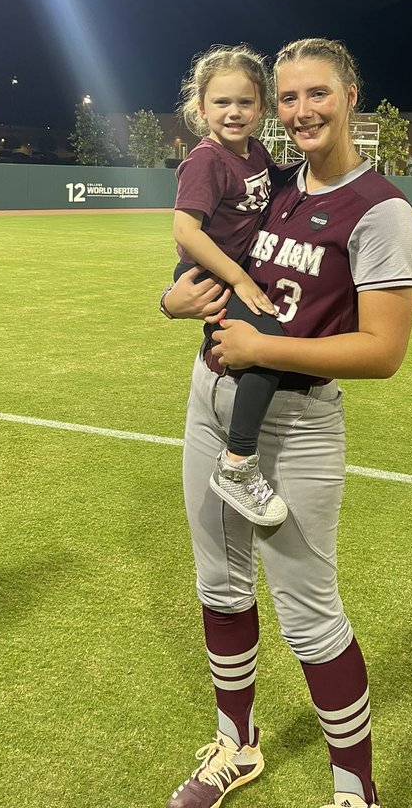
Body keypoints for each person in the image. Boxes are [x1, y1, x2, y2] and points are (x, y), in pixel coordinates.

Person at [161, 38, 412, 808]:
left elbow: (383, 351)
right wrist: (170, 300)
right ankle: (236, 746)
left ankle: (355, 790)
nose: (302, 110)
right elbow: (209, 258)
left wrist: (261, 346)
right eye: (290, 98)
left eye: (318, 94)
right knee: (220, 586)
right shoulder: (269, 184)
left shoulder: (382, 210)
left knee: (308, 614)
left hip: (297, 423)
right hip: (211, 402)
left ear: (349, 96)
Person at [167, 44, 289, 526]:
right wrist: (237, 278)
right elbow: (185, 231)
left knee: (267, 341)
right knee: (267, 344)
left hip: (231, 272)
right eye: (221, 103)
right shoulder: (206, 161)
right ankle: (237, 464)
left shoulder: (255, 151)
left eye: (244, 102)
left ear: (261, 108)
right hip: (205, 274)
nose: (233, 112)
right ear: (201, 108)